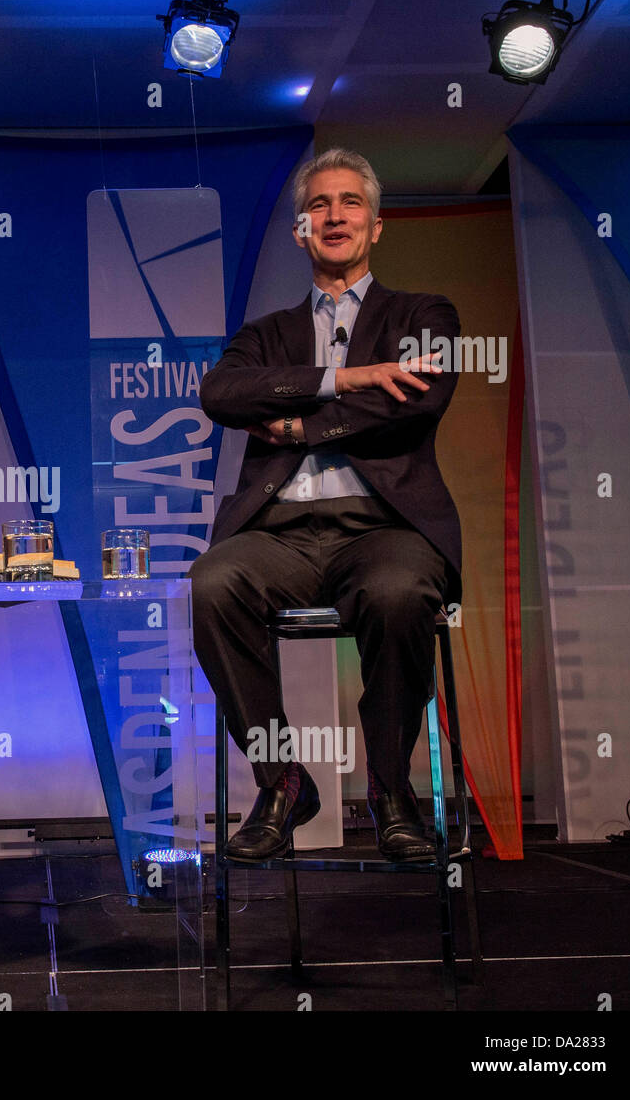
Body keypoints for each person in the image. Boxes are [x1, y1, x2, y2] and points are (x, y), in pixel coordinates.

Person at [189, 147, 461, 862]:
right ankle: (282, 783)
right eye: (318, 205)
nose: (333, 214)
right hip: (277, 533)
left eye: (349, 203)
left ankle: (391, 787)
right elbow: (221, 395)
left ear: (375, 226)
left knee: (400, 591)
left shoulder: (423, 313)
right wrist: (352, 376)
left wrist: (303, 423)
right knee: (213, 583)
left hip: (383, 528)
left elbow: (414, 403)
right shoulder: (265, 334)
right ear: (300, 233)